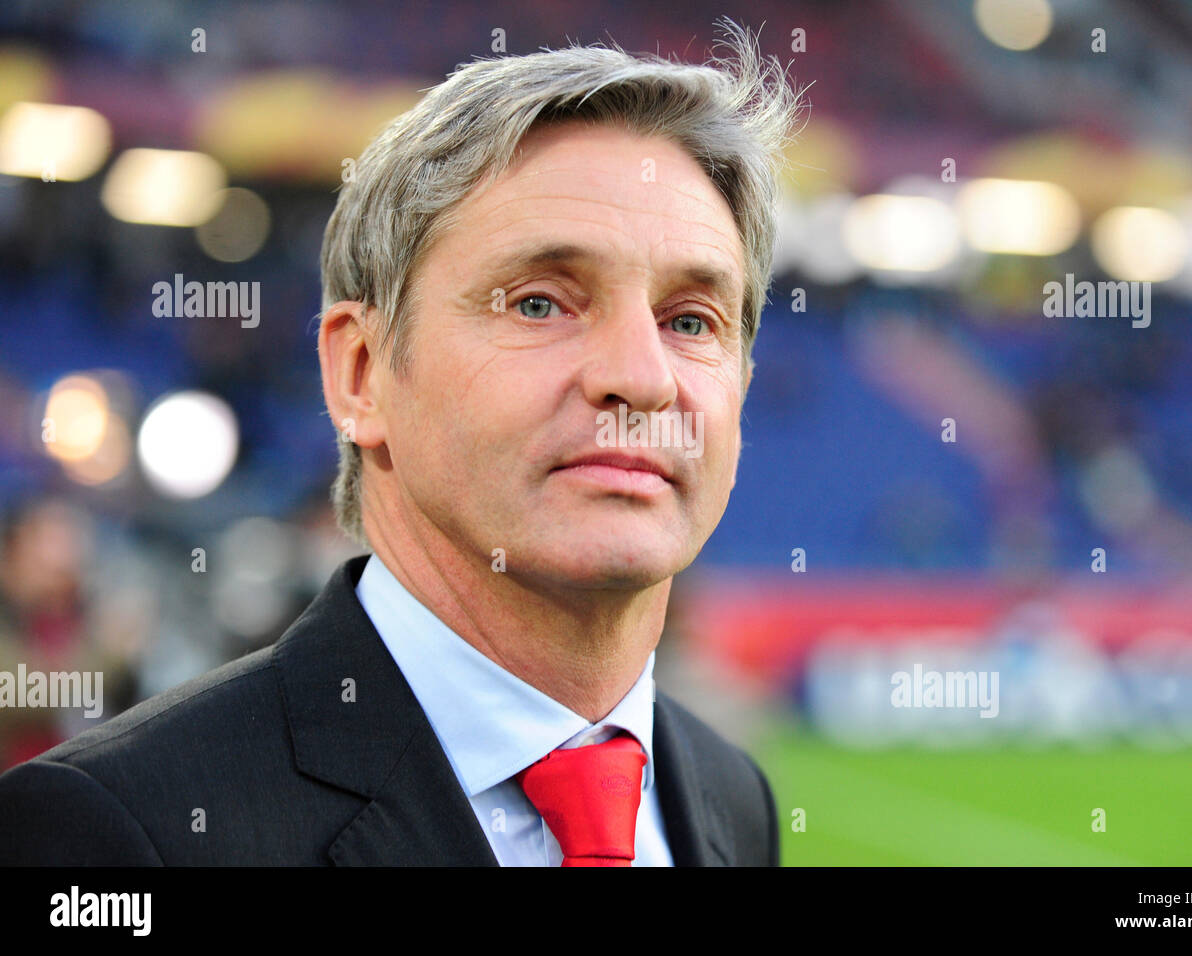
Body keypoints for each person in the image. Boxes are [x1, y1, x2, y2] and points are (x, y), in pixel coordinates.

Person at [0, 18, 804, 866]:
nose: (643, 380)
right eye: (540, 303)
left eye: (690, 320)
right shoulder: (112, 831)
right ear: (361, 372)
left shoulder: (730, 801)